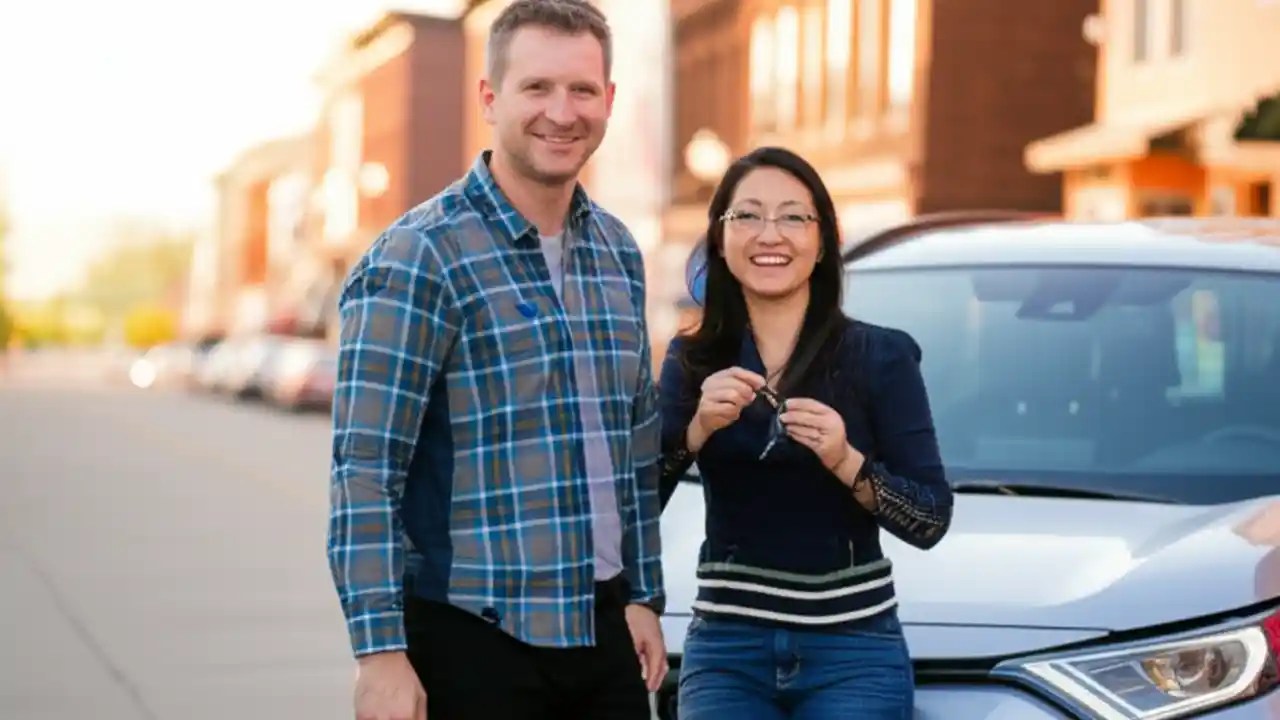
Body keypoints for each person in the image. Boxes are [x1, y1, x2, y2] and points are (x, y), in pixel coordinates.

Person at [327, 2, 667, 719]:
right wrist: (380, 653)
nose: (561, 112)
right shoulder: (420, 257)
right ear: (490, 98)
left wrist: (643, 594)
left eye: (581, 90)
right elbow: (365, 472)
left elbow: (633, 448)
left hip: (603, 637)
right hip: (473, 644)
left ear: (609, 101)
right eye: (536, 88)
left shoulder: (619, 253)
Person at [657, 146, 954, 720]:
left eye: (794, 216)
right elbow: (635, 503)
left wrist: (847, 461)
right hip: (726, 650)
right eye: (747, 216)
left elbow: (931, 520)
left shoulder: (880, 356)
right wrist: (694, 431)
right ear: (721, 239)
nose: (771, 234)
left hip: (853, 653)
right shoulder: (694, 360)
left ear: (822, 243)